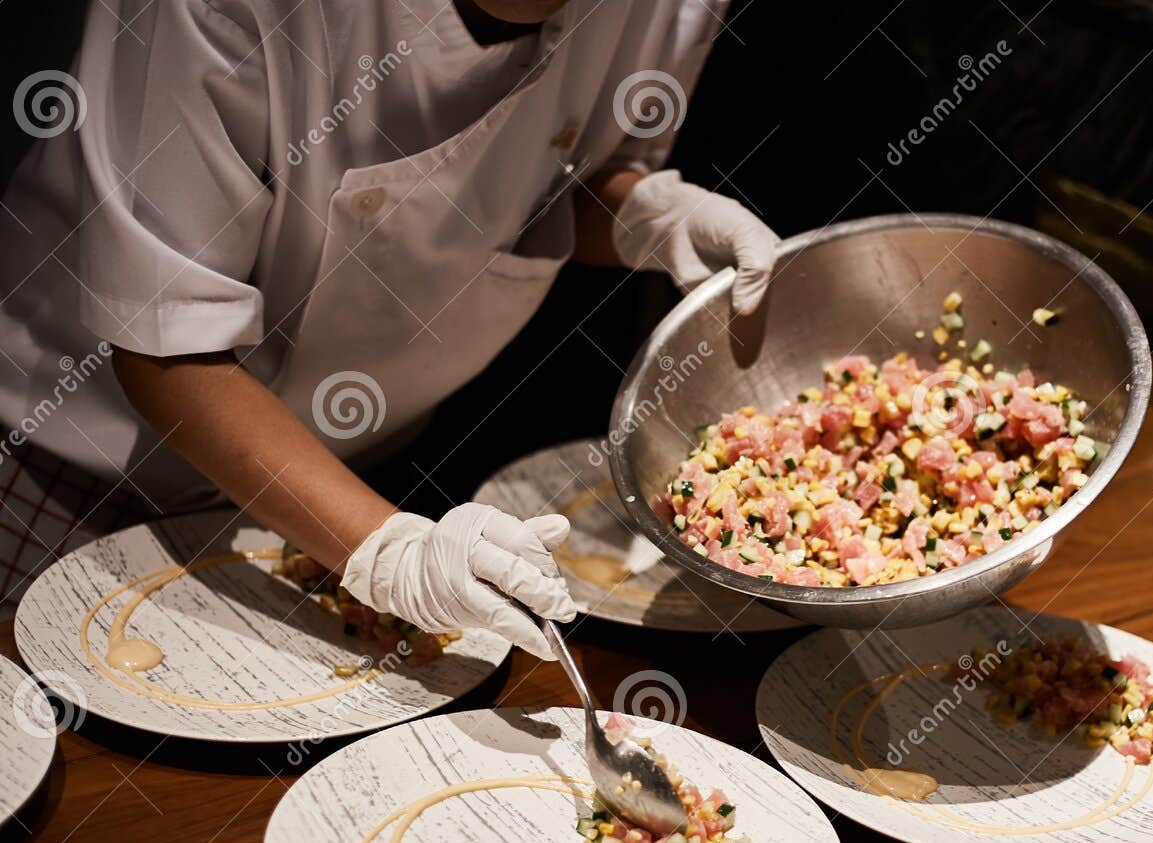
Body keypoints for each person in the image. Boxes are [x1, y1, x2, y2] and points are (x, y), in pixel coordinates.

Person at [0, 0, 777, 657]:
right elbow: (165, 341)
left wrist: (648, 217)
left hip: (347, 486)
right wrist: (392, 554)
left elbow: (553, 179)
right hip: (78, 470)